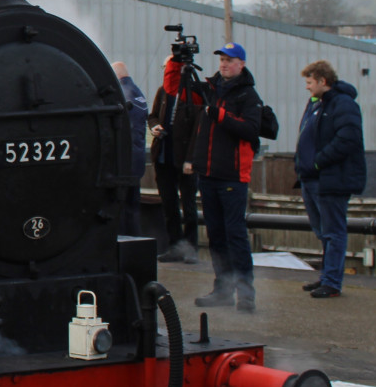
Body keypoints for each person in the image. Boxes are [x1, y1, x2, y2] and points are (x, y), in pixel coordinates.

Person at [164, 41, 264, 313]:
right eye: (221, 59)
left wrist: (221, 115)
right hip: (207, 175)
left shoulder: (248, 97)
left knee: (235, 235)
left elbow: (251, 130)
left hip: (232, 177)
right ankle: (222, 290)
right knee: (217, 237)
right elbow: (175, 90)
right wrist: (176, 63)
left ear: (241, 64)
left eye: (229, 60)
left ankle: (246, 294)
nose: (223, 64)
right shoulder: (209, 89)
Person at [294, 59, 365, 299]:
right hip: (312, 179)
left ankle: (332, 281)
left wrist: (318, 161)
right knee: (322, 231)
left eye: (310, 82)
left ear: (323, 81)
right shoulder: (319, 104)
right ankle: (327, 276)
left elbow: (348, 138)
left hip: (331, 179)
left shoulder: (343, 105)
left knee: (333, 231)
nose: (307, 87)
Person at [149, 71, 201, 264]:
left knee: (188, 206)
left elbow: (198, 126)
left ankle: (191, 248)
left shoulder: (192, 92)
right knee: (169, 205)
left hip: (184, 160)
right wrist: (154, 126)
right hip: (164, 156)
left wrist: (191, 159)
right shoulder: (162, 91)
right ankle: (175, 247)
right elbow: (152, 115)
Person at [111, 62, 147, 237]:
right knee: (132, 208)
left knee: (125, 209)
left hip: (126, 161)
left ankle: (129, 244)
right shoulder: (137, 93)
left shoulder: (125, 94)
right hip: (137, 160)